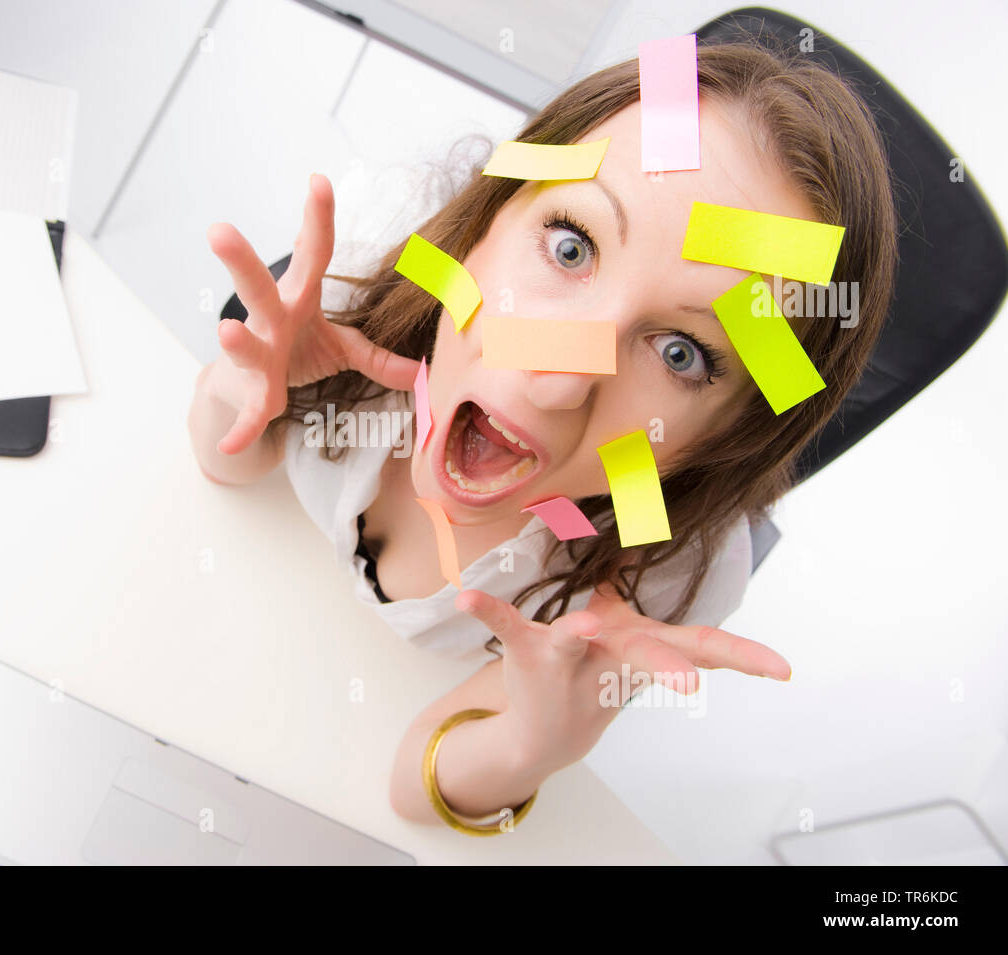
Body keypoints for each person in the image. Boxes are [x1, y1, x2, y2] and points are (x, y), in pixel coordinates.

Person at [187, 39, 897, 832]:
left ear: (723, 441)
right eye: (571, 245)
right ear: (486, 219)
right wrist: (243, 391)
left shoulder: (657, 577)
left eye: (680, 354)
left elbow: (405, 796)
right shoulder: (365, 261)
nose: (556, 381)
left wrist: (532, 744)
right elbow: (225, 469)